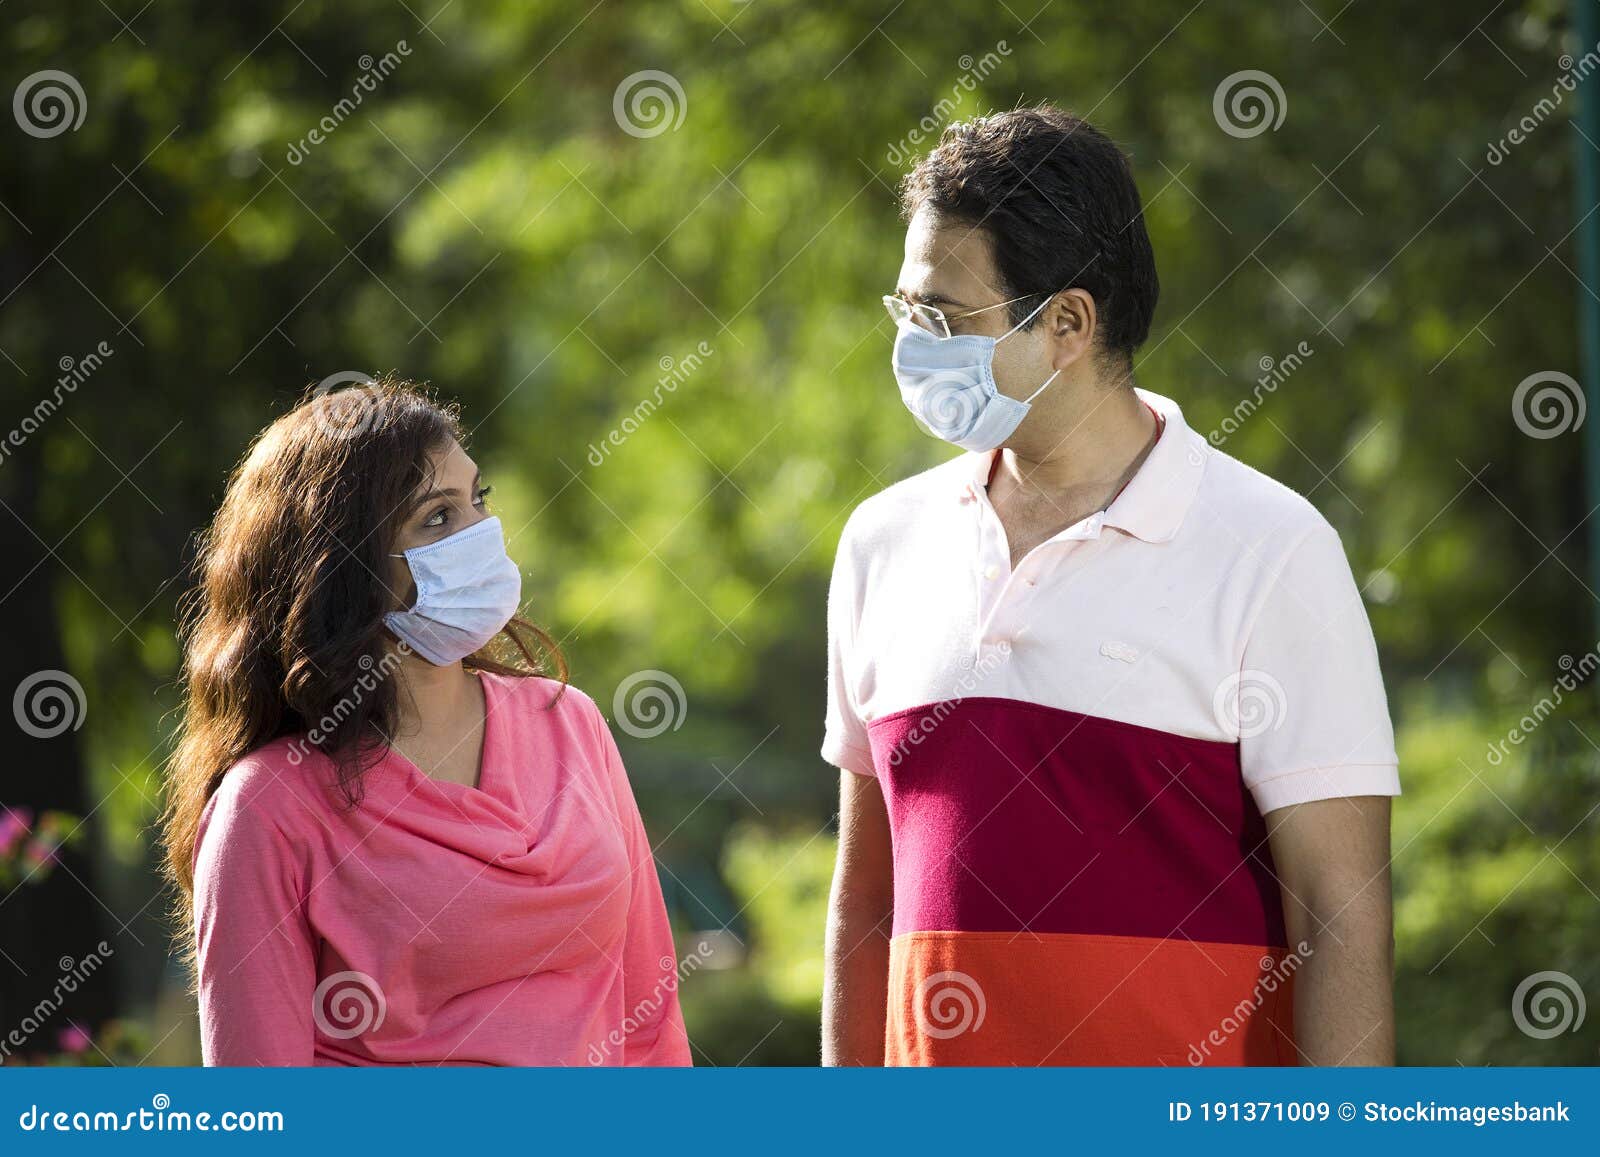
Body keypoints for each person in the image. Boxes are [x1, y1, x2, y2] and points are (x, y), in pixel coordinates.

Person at [821, 105, 1399, 1066]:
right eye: (905, 310)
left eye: (944, 316)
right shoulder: (881, 541)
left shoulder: (1274, 549)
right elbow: (864, 901)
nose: (912, 345)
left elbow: (1339, 922)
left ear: (1069, 325)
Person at [162, 380, 690, 1066]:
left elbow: (650, 1020)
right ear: (338, 569)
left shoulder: (572, 724)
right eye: (437, 519)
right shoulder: (267, 806)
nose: (481, 534)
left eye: (478, 500)